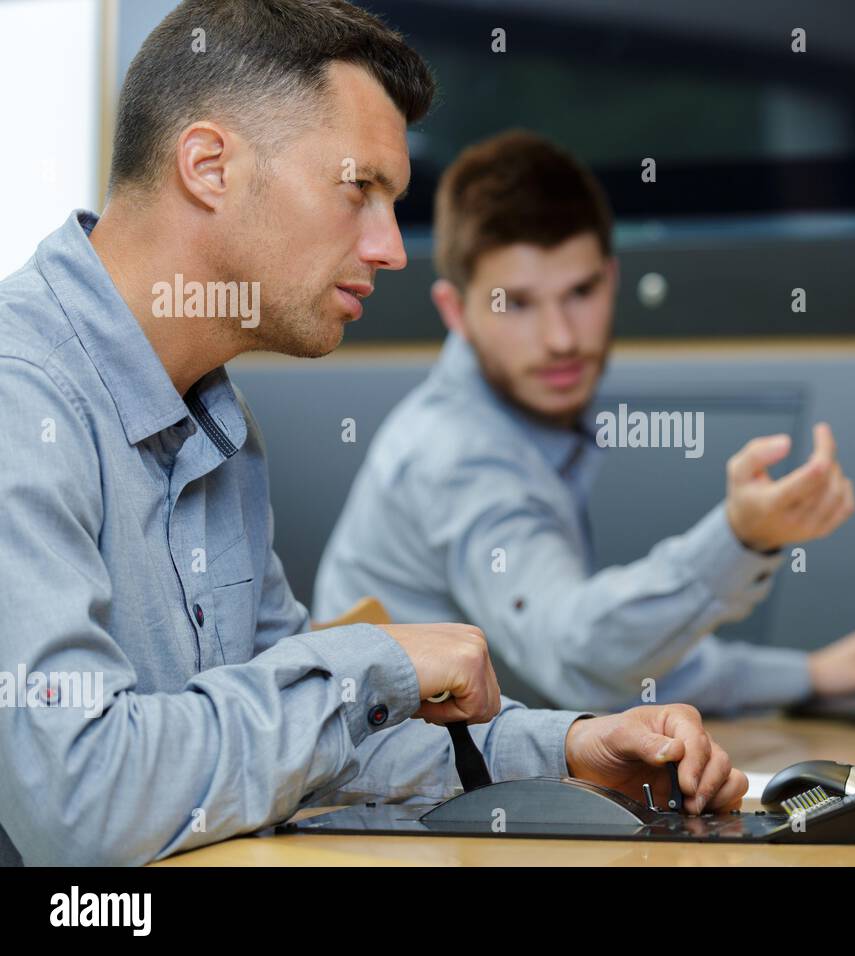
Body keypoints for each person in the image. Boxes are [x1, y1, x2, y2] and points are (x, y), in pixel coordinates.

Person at [0, 0, 743, 867]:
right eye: (360, 190)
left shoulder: (215, 424)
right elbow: (80, 796)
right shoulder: (23, 400)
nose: (391, 247)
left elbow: (303, 749)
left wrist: (568, 747)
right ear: (209, 165)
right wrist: (373, 661)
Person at [315, 129, 855, 714]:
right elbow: (578, 657)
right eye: (518, 303)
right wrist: (740, 537)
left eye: (580, 293)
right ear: (456, 310)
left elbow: (627, 669)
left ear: (611, 281)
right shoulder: (458, 453)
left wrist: (809, 676)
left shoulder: (523, 416)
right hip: (389, 811)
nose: (560, 339)